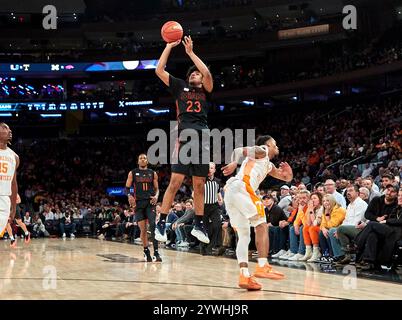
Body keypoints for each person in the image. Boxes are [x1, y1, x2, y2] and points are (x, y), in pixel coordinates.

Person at [155, 35, 213, 245]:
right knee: (175, 182)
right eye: (193, 73)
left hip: (204, 138)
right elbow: (159, 70)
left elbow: (206, 72)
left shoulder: (206, 89)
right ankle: (161, 222)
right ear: (189, 78)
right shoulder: (180, 87)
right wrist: (169, 47)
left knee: (199, 185)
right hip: (185, 137)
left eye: (197, 73)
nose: (196, 74)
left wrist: (190, 53)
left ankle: (199, 224)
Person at [222, 135, 293, 290]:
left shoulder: (268, 165)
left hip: (231, 193)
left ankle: (244, 275)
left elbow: (285, 178)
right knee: (261, 224)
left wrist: (289, 173)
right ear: (268, 144)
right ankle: (262, 265)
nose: (277, 146)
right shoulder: (263, 150)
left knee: (244, 234)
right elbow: (238, 150)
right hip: (242, 188)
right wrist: (234, 162)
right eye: (275, 143)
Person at [125, 154, 161, 262]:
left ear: (147, 161)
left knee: (153, 226)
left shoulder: (152, 173)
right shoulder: (132, 172)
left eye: (144, 158)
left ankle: (156, 252)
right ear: (138, 161)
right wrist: (129, 196)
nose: (142, 159)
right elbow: (127, 188)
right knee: (143, 229)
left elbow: (157, 189)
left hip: (150, 203)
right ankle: (146, 251)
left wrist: (156, 196)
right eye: (140, 158)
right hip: (138, 204)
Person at [0, 123, 19, 248]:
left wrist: (13, 207)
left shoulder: (15, 157)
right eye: (5, 128)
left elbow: (13, 183)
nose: (10, 130)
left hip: (4, 200)